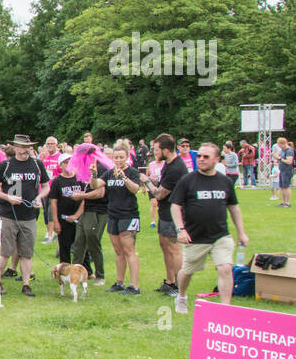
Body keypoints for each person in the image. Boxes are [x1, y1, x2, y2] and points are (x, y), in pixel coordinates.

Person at [170, 143, 248, 313]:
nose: (201, 159)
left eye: (206, 157)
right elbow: (175, 206)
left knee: (225, 268)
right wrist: (180, 229)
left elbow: (233, 207)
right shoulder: (188, 180)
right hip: (195, 236)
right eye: (199, 156)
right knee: (187, 272)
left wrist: (241, 232)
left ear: (217, 160)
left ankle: (225, 308)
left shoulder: (225, 181)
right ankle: (181, 296)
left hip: (220, 235)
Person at [0, 134, 50, 297]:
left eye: (27, 146)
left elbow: (46, 186)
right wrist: (8, 197)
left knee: (27, 252)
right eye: (21, 146)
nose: (25, 150)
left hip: (29, 215)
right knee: (5, 252)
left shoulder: (37, 165)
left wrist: (39, 197)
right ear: (14, 147)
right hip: (8, 215)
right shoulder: (5, 165)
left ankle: (26, 284)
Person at [87, 143, 142, 295]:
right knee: (118, 251)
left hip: (128, 215)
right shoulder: (109, 173)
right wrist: (93, 174)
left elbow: (135, 189)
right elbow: (95, 185)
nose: (118, 160)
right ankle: (119, 282)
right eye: (115, 157)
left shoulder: (132, 172)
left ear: (127, 157)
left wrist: (124, 177)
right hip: (113, 215)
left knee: (129, 250)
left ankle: (134, 286)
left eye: (121, 157)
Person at [146, 133, 187, 297]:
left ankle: (178, 286)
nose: (155, 153)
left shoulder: (176, 167)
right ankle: (170, 282)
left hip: (173, 214)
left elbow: (160, 194)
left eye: (157, 149)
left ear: (167, 149)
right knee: (165, 246)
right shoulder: (168, 164)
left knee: (174, 249)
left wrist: (146, 181)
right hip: (165, 212)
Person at [47, 153, 85, 265]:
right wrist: (55, 222)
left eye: (71, 162)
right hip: (63, 218)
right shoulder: (57, 182)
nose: (69, 165)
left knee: (81, 245)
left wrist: (76, 215)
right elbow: (53, 202)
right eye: (66, 163)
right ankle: (65, 270)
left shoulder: (79, 179)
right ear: (60, 165)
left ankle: (86, 270)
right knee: (64, 246)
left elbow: (84, 199)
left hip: (78, 217)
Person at [275, 137, 296, 207]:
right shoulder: (283, 151)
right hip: (282, 170)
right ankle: (283, 202)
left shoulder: (289, 151)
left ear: (283, 144)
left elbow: (289, 161)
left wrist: (280, 159)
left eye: (280, 145)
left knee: (286, 186)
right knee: (282, 186)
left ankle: (287, 202)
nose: (279, 147)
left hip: (287, 170)